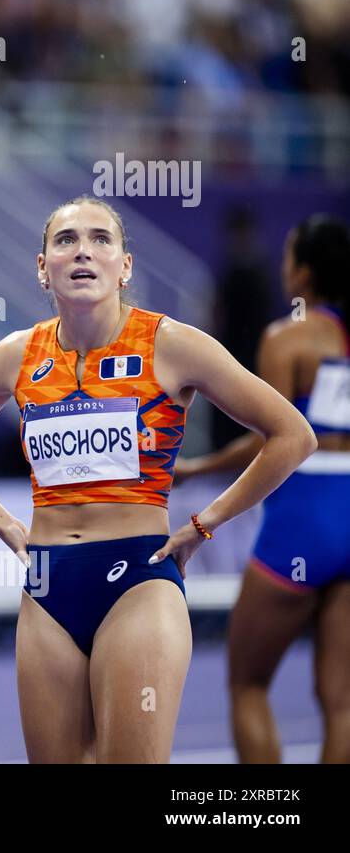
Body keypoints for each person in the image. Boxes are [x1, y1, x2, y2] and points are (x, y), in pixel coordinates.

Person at [0, 195, 316, 763]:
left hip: (140, 583)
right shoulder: (16, 355)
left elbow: (293, 434)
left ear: (125, 266)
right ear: (42, 266)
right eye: (66, 240)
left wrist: (205, 523)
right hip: (49, 587)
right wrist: (4, 524)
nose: (83, 251)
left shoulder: (169, 344)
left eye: (101, 239)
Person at [177, 215, 350, 762]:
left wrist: (197, 468)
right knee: (341, 702)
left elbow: (269, 439)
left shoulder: (286, 337)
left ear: (302, 271)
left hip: (304, 518)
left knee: (247, 685)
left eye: (287, 258)